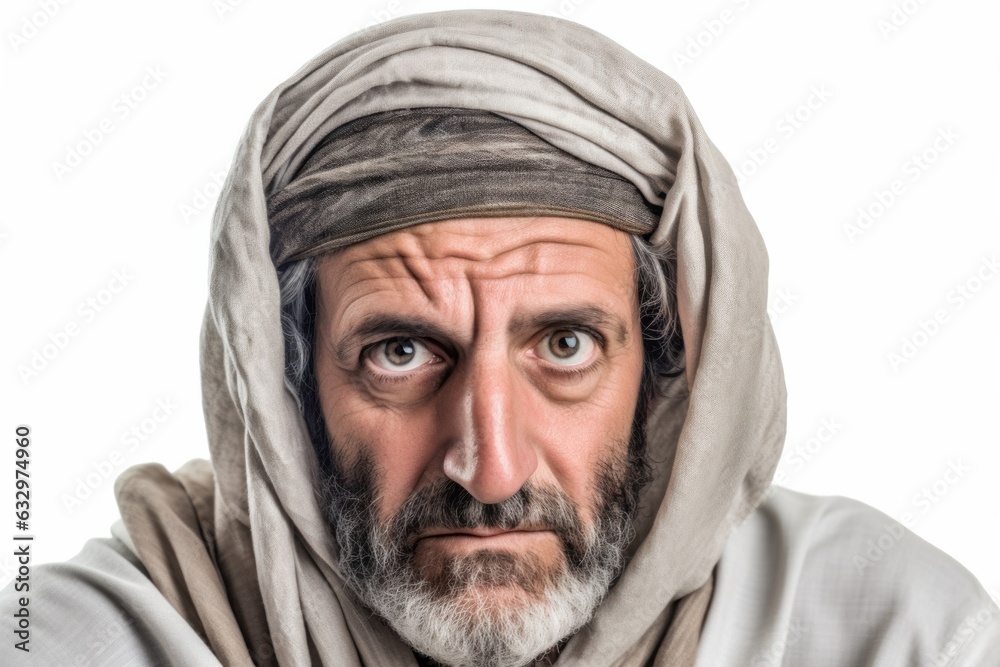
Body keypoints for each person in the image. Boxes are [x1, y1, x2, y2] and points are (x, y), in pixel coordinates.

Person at [4, 9, 997, 667]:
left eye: (563, 346)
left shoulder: (891, 632)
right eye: (401, 353)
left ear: (666, 372)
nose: (490, 470)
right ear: (284, 386)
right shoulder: (71, 643)